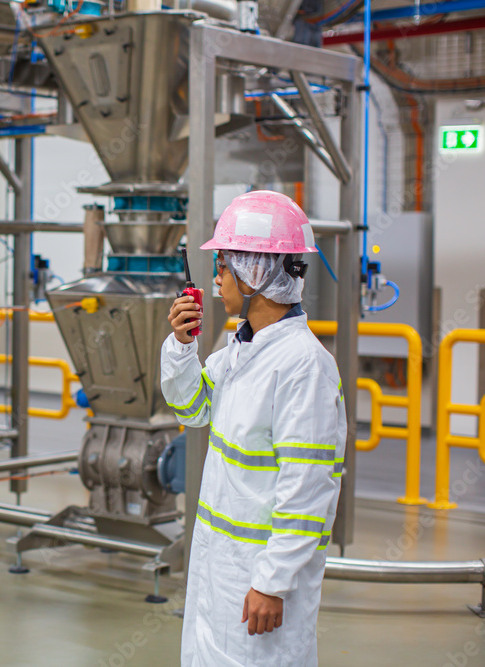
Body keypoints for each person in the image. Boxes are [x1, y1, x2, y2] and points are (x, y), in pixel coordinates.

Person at [161, 190, 347, 666]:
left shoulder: (304, 366)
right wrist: (183, 348)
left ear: (255, 273)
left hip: (258, 577)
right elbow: (192, 409)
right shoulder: (242, 350)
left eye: (223, 266)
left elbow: (307, 488)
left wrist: (273, 581)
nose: (217, 278)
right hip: (220, 563)